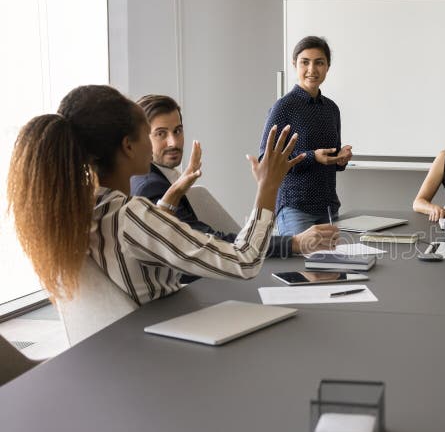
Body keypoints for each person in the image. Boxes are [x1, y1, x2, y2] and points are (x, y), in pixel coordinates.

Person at [6, 85, 302, 306]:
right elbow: (245, 262)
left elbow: (141, 240)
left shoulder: (85, 209)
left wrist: (172, 196)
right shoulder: (130, 216)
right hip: (165, 344)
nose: (163, 143)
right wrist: (268, 186)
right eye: (150, 133)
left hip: (123, 348)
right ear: (129, 146)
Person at [131, 94, 338, 256]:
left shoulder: (160, 178)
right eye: (161, 134)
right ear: (140, 137)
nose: (174, 142)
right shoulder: (151, 187)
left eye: (177, 131)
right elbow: (212, 243)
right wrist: (294, 242)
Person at [258, 36, 353, 235]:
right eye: (305, 62)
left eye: (319, 62)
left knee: (333, 257)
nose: (312, 69)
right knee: (299, 257)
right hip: (295, 208)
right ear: (294, 65)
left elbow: (330, 160)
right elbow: (266, 161)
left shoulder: (331, 109)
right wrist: (312, 156)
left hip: (328, 208)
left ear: (327, 67)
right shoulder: (284, 107)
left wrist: (340, 159)